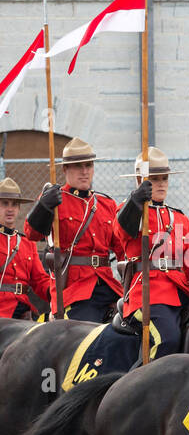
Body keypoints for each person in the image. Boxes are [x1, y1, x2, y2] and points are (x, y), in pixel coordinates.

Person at [114, 147, 189, 356]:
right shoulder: (131, 212)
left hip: (180, 292)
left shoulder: (178, 218)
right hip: (147, 293)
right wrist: (135, 201)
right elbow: (122, 231)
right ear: (140, 179)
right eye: (154, 178)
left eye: (165, 178)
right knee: (167, 339)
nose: (161, 183)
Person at [23, 137, 124, 321]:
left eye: (89, 165)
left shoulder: (106, 204)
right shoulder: (55, 199)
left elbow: (122, 249)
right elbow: (32, 233)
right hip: (74, 289)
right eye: (78, 166)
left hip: (108, 286)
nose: (84, 171)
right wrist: (44, 206)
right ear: (65, 169)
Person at [0, 178, 50, 319]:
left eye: (14, 205)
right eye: (5, 204)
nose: (10, 209)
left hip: (23, 309)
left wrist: (57, 295)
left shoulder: (27, 243)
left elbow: (39, 280)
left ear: (19, 209)